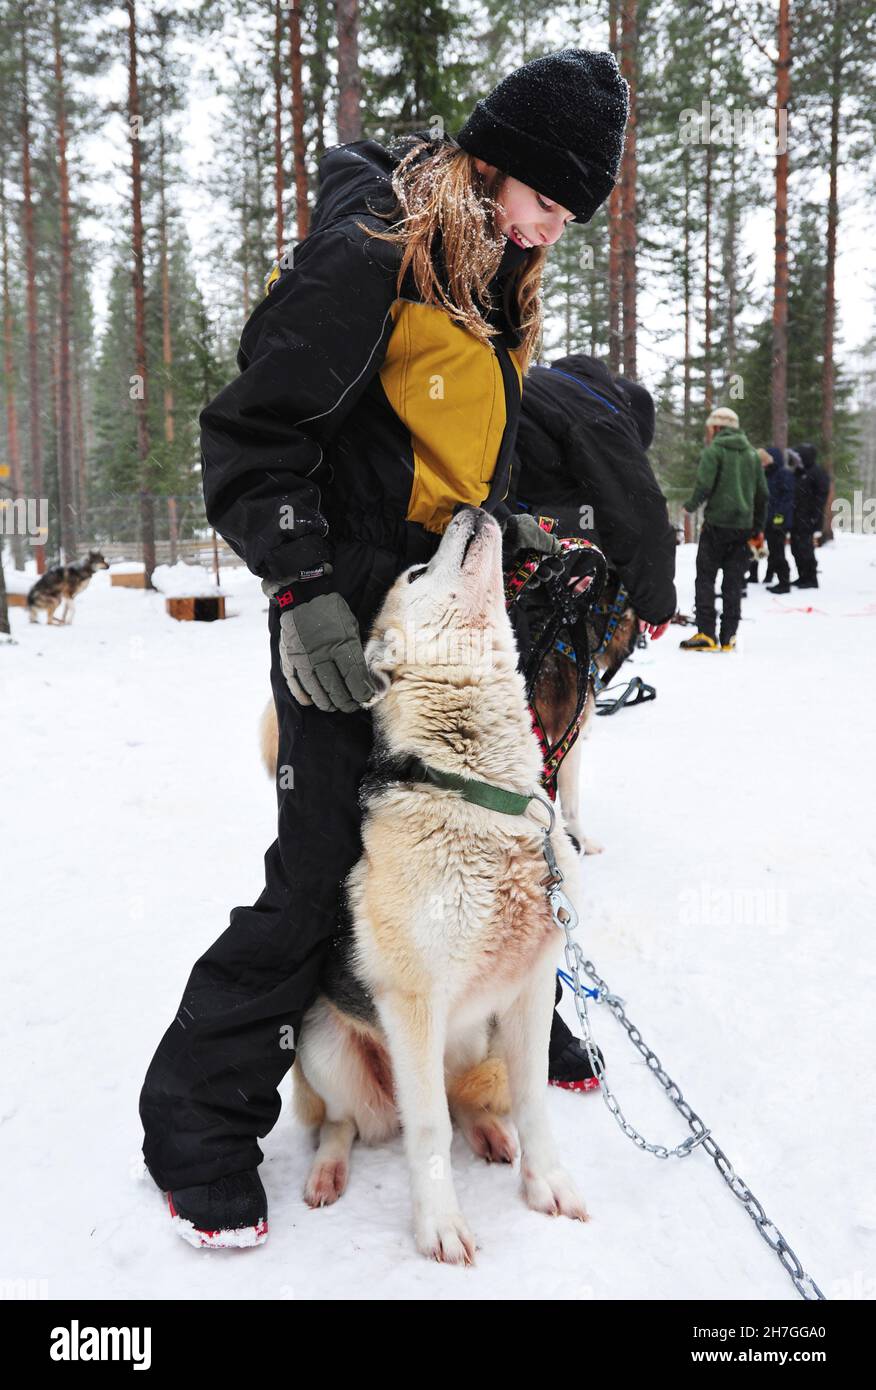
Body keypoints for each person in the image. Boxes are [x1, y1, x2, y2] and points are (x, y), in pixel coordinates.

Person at [138, 50, 630, 1247]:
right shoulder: (376, 244)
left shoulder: (486, 272)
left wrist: (508, 532)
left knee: (499, 842)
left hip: (433, 608)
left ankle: (503, 1022)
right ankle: (198, 1125)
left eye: (566, 217)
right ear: (501, 164)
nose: (550, 232)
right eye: (548, 204)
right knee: (321, 876)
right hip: (343, 611)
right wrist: (302, 586)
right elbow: (253, 430)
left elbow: (442, 440)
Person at [510, 356, 676, 1086]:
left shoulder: (533, 389)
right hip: (524, 595)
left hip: (481, 569)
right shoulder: (602, 411)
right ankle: (527, 1016)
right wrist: (657, 597)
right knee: (519, 789)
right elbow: (636, 502)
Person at [679, 406, 767, 652]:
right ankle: (729, 637)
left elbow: (705, 484)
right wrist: (757, 528)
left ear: (717, 427)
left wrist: (690, 506)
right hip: (743, 529)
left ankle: (706, 634)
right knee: (733, 583)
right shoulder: (751, 455)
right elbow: (763, 496)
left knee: (705, 578)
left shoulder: (715, 451)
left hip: (716, 526)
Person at [789, 443, 830, 588]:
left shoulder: (816, 472)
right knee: (795, 548)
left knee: (805, 549)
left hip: (808, 519)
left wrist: (814, 517)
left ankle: (810, 578)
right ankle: (802, 576)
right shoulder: (800, 472)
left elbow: (821, 496)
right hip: (796, 518)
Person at [760, 446, 796, 594]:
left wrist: (778, 518)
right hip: (769, 520)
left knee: (778, 552)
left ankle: (784, 581)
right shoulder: (768, 474)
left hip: (779, 522)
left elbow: (787, 500)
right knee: (774, 551)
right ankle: (777, 578)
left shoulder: (783, 474)